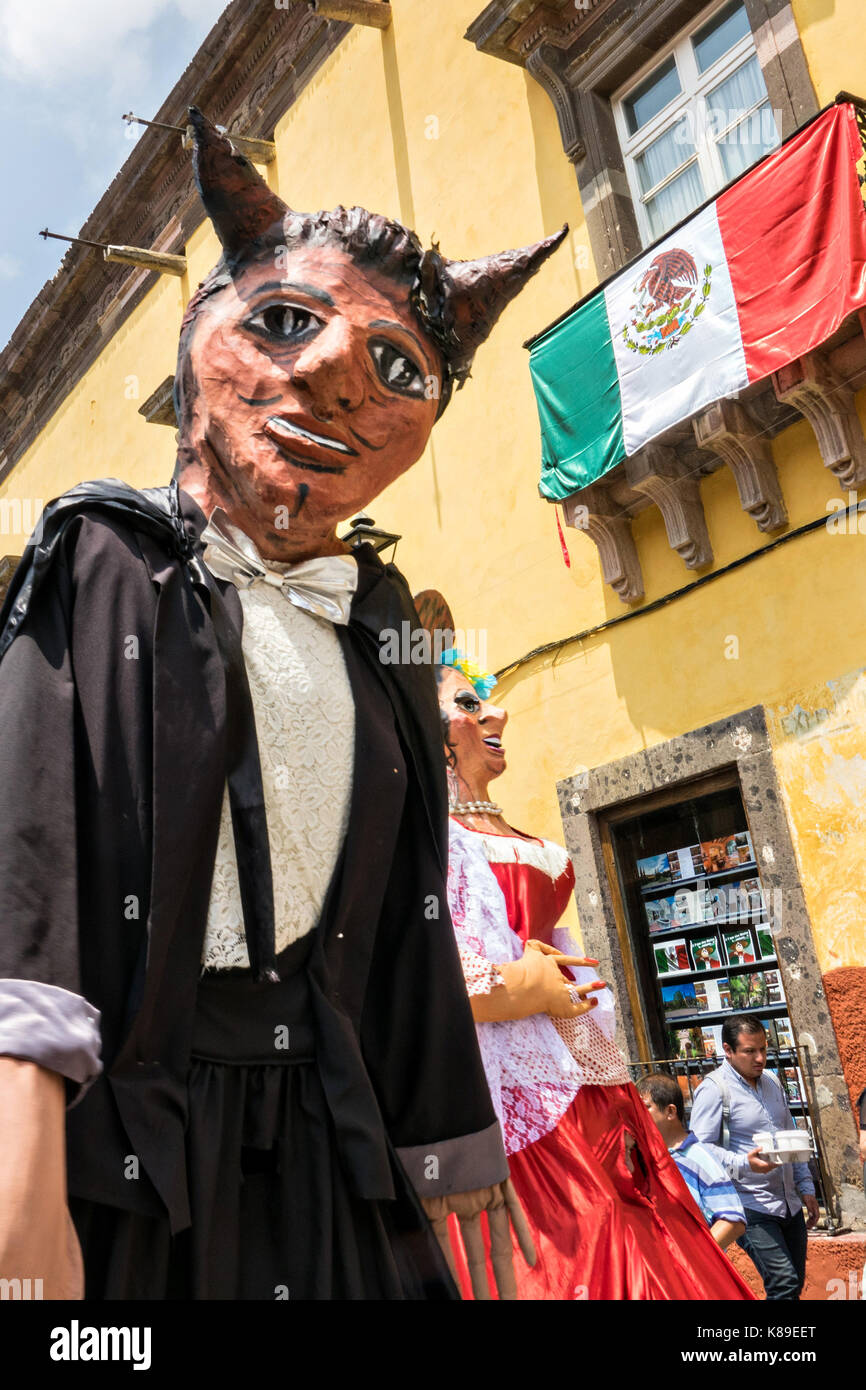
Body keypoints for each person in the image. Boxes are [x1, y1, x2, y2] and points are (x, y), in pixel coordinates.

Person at [0, 108, 568, 1300]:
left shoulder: (381, 615)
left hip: (322, 1115)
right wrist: (21, 1134)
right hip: (131, 1114)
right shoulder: (108, 554)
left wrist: (448, 1129)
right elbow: (35, 847)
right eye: (282, 320)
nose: (328, 373)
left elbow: (409, 890)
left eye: (398, 366)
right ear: (199, 332)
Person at [436, 654, 755, 1300]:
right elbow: (447, 976)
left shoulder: (542, 855)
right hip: (495, 1093)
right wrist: (532, 988)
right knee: (571, 1242)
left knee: (622, 1224)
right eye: (468, 705)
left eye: (485, 701)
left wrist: (609, 1087)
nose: (495, 713)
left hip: (571, 1077)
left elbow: (577, 985)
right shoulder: (435, 845)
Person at [690, 1015, 820, 1301]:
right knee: (784, 1282)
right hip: (748, 1205)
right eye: (750, 1051)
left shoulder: (772, 1081)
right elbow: (698, 1149)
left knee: (792, 1285)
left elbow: (790, 1134)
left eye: (763, 1049)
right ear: (728, 1050)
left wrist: (806, 1187)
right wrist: (743, 1164)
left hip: (788, 1203)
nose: (760, 1058)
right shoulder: (714, 1089)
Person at [637, 1071, 746, 1248]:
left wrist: (695, 1258)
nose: (638, 1115)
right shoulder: (642, 1158)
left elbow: (732, 1221)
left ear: (670, 1111)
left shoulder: (700, 1159)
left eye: (645, 1107)